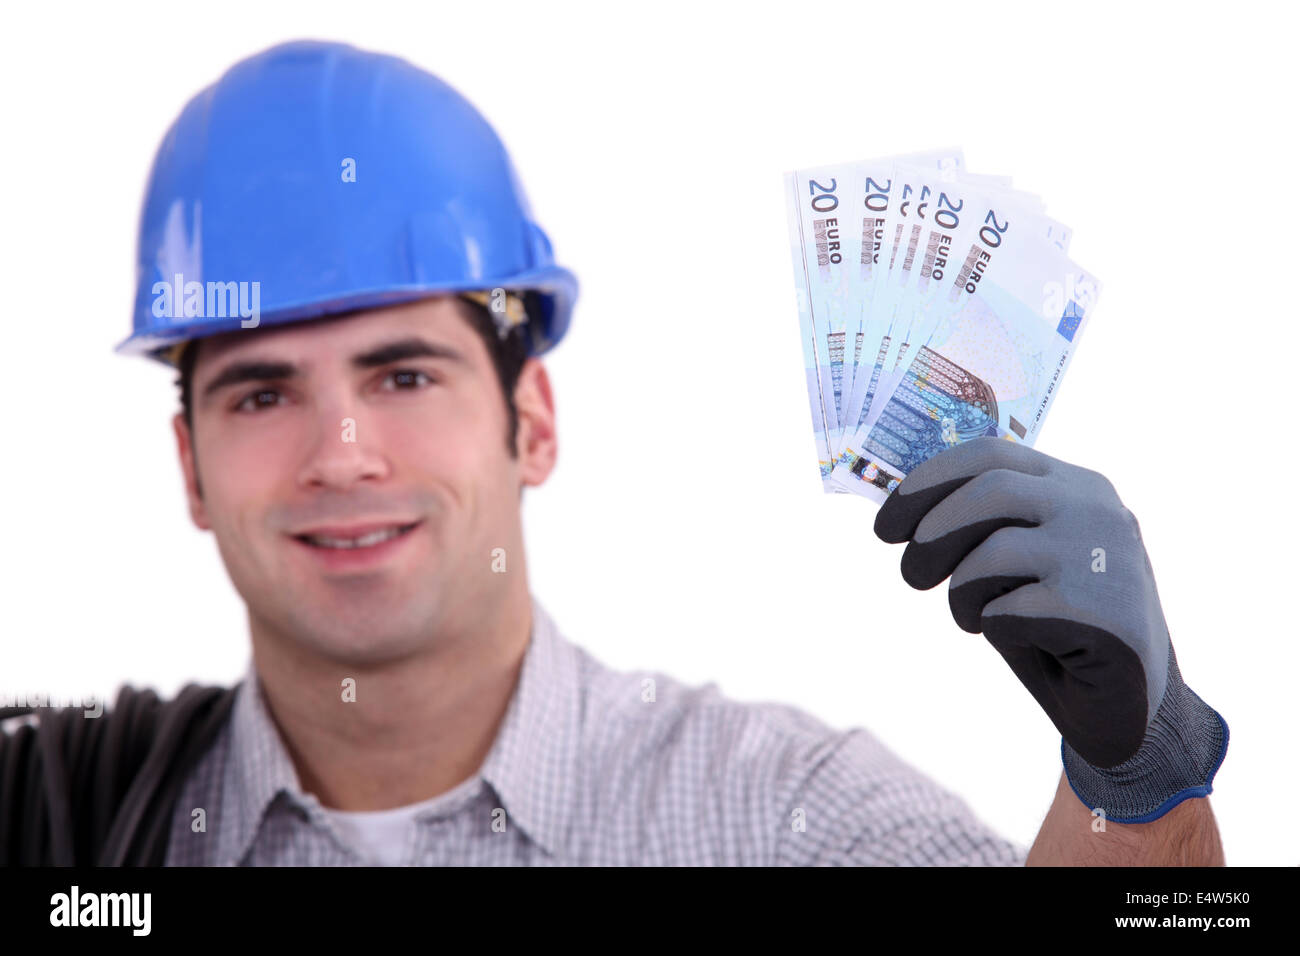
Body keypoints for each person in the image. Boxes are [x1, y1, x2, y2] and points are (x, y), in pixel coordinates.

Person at [2, 40, 1228, 866]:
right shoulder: (72, 824)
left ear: (530, 419)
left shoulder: (778, 815)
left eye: (403, 373)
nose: (341, 451)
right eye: (262, 392)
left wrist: (1137, 773)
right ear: (189, 467)